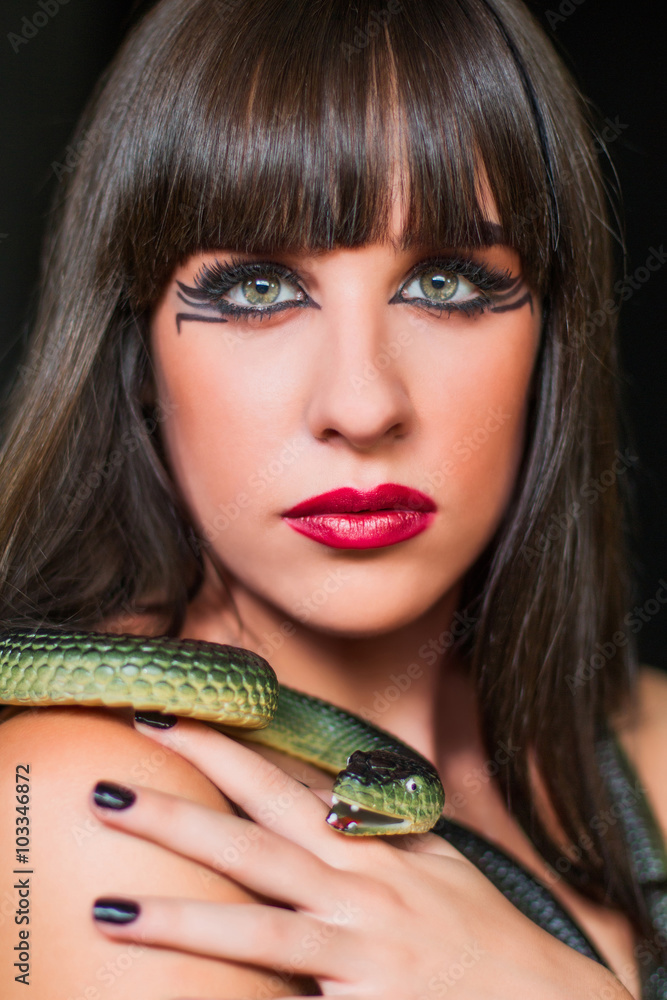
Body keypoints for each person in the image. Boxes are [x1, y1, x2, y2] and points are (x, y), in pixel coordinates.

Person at [0, 0, 665, 996]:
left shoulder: (650, 744)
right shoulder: (80, 803)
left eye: (445, 282)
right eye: (258, 288)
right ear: (138, 356)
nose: (361, 404)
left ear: (551, 344)